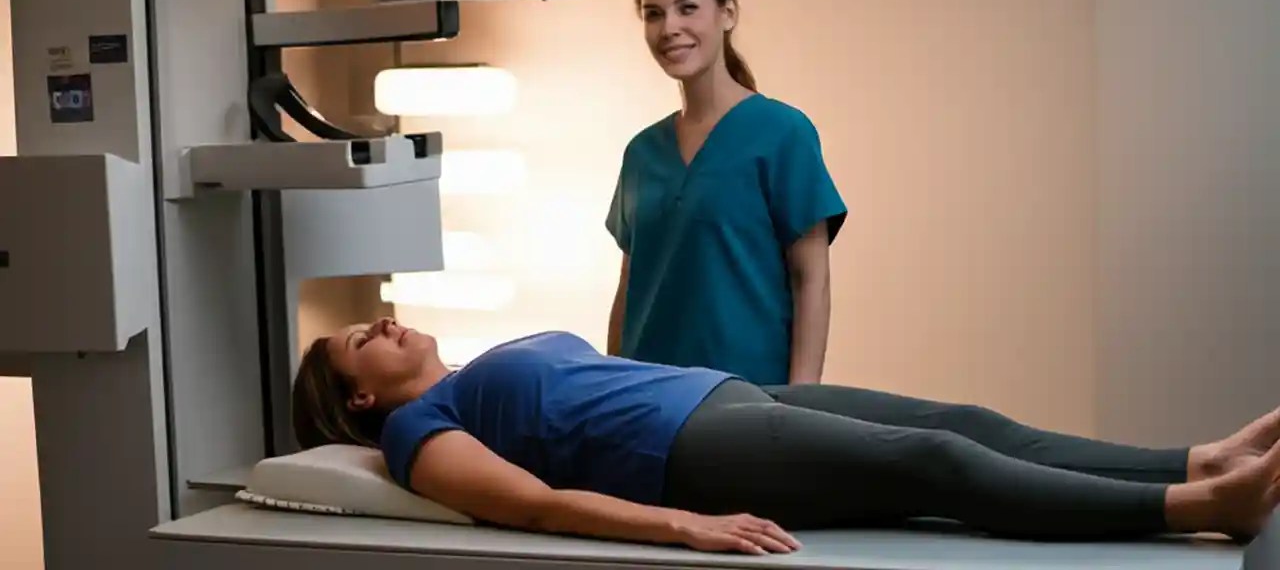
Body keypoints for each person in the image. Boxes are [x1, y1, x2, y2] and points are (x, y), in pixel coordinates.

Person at [292, 317, 1280, 555]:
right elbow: (535, 508)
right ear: (360, 402)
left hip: (727, 395)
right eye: (359, 342)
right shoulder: (421, 431)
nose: (381, 323)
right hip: (694, 457)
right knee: (930, 467)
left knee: (959, 421)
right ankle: (1197, 507)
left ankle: (1198, 457)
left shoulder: (467, 374)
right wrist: (687, 528)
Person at [605, 0, 847, 386]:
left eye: (687, 8)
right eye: (653, 14)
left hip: (748, 403)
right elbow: (628, 289)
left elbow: (812, 280)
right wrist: (608, 395)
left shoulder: (782, 133)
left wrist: (799, 407)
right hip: (648, 403)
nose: (669, 27)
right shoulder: (642, 152)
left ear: (727, 13)